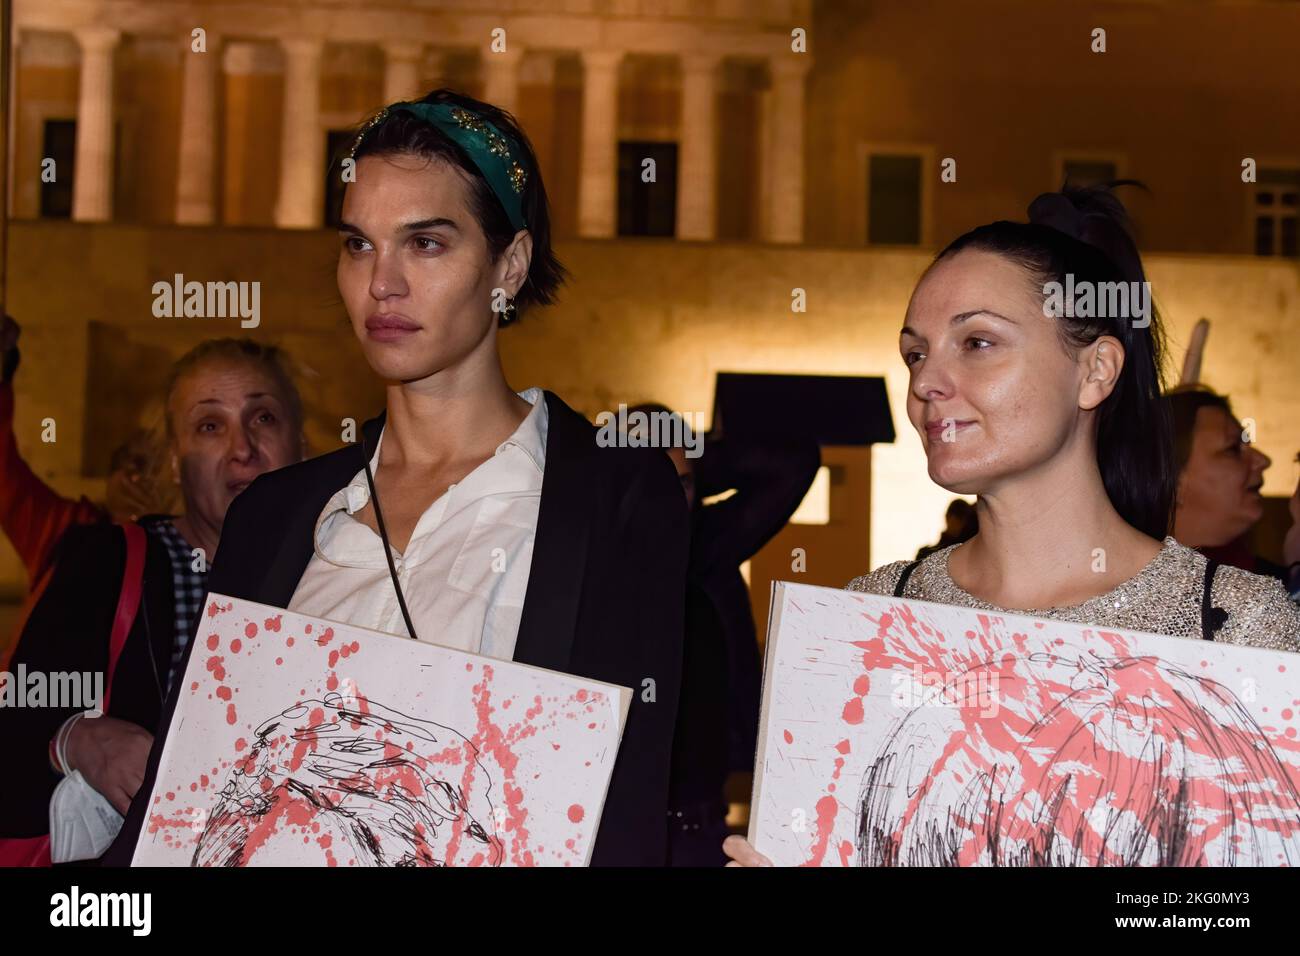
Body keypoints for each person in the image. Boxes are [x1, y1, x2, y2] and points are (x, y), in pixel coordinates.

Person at [104, 89, 689, 868]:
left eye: (425, 244)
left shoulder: (612, 500)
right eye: (358, 245)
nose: (381, 283)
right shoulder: (275, 516)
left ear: (507, 266)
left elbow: (626, 805)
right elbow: (181, 803)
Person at [724, 183, 1300, 867]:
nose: (926, 382)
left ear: (1095, 372)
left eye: (978, 342)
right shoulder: (871, 617)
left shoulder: (1239, 628)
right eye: (915, 353)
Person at [0, 338, 306, 864]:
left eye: (264, 418)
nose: (243, 448)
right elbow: (17, 717)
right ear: (173, 459)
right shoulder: (105, 561)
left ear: (300, 446)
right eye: (210, 425)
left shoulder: (341, 573)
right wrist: (75, 739)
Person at [626, 403, 818, 866]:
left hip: (703, 826)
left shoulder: (709, 541)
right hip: (616, 830)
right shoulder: (590, 553)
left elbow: (795, 461)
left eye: (685, 484)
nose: (673, 498)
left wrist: (688, 457)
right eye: (656, 481)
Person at [1164, 385, 1288, 580]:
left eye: (1247, 444)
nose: (1263, 461)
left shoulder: (1283, 590)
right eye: (1232, 449)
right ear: (1172, 479)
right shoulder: (1125, 592)